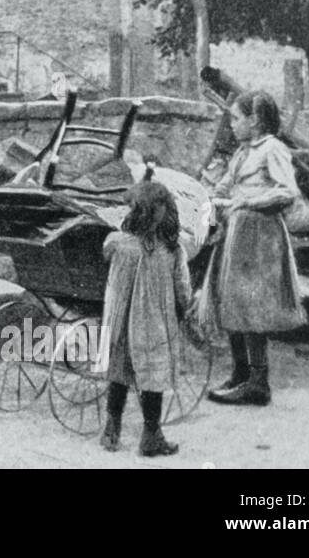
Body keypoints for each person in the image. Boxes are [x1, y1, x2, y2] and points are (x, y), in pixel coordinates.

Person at [202, 90, 306, 406]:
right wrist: (208, 196)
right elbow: (225, 186)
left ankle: (259, 384)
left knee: (252, 304)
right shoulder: (243, 152)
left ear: (255, 120)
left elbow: (288, 192)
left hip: (261, 236)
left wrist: (248, 201)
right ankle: (240, 373)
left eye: (236, 118)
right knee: (231, 300)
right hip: (236, 233)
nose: (231, 124)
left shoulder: (273, 149)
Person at [96, 181, 193, 456]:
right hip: (152, 324)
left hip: (119, 321)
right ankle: (151, 435)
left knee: (119, 373)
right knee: (152, 377)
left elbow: (108, 255)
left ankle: (111, 428)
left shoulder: (117, 243)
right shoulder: (172, 251)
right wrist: (185, 311)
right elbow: (182, 289)